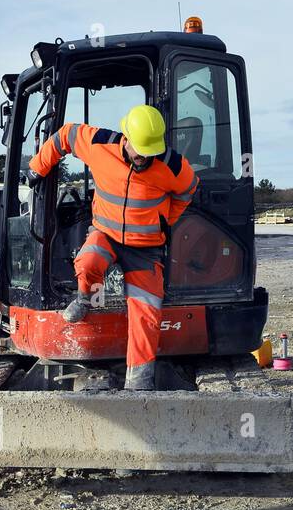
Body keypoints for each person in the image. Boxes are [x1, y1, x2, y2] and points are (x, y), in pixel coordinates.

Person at [27, 104, 198, 391]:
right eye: (139, 149)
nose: (144, 156)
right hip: (106, 234)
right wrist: (36, 167)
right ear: (126, 137)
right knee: (89, 262)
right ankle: (86, 301)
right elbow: (65, 135)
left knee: (146, 315)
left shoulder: (172, 165)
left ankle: (139, 385)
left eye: (150, 150)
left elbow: (189, 189)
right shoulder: (99, 144)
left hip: (146, 249)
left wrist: (166, 219)